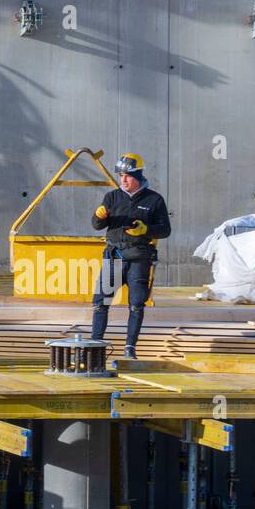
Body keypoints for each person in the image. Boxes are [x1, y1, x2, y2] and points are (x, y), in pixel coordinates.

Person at [90, 153, 171, 360]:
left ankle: (130, 348)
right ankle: (95, 345)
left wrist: (145, 230)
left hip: (138, 259)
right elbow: (98, 226)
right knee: (101, 302)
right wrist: (98, 217)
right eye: (121, 176)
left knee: (136, 304)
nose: (123, 180)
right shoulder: (112, 197)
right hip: (114, 257)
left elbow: (164, 230)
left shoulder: (154, 200)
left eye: (127, 176)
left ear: (139, 175)